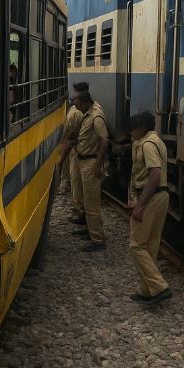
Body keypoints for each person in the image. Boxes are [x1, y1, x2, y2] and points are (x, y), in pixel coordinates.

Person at [127, 111, 171, 305]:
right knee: (151, 245)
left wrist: (140, 205)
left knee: (136, 245)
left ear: (142, 128)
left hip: (151, 196)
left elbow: (154, 175)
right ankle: (147, 291)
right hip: (161, 196)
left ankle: (160, 287)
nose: (131, 133)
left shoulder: (146, 145)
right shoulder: (157, 140)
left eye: (133, 129)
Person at [70, 90, 108, 252]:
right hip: (82, 160)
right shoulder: (86, 114)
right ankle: (89, 230)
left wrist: (99, 165)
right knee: (85, 199)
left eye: (76, 101)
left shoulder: (96, 117)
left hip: (91, 162)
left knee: (92, 203)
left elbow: (104, 140)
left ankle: (98, 240)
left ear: (85, 103)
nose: (74, 103)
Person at [58, 82, 90, 223]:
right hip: (80, 151)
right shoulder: (87, 109)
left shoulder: (75, 113)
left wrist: (60, 158)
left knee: (76, 184)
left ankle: (80, 212)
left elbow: (68, 138)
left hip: (77, 152)